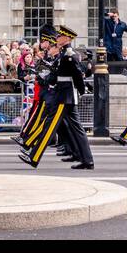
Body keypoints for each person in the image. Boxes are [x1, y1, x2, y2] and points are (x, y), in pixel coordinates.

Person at [21, 25, 93, 170]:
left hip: (64, 97)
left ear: (67, 38)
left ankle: (34, 157)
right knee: (77, 130)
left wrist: (81, 90)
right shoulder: (63, 54)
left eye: (60, 36)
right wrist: (45, 79)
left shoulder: (69, 55)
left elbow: (77, 75)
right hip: (62, 95)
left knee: (49, 127)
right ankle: (87, 160)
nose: (57, 38)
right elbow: (56, 75)